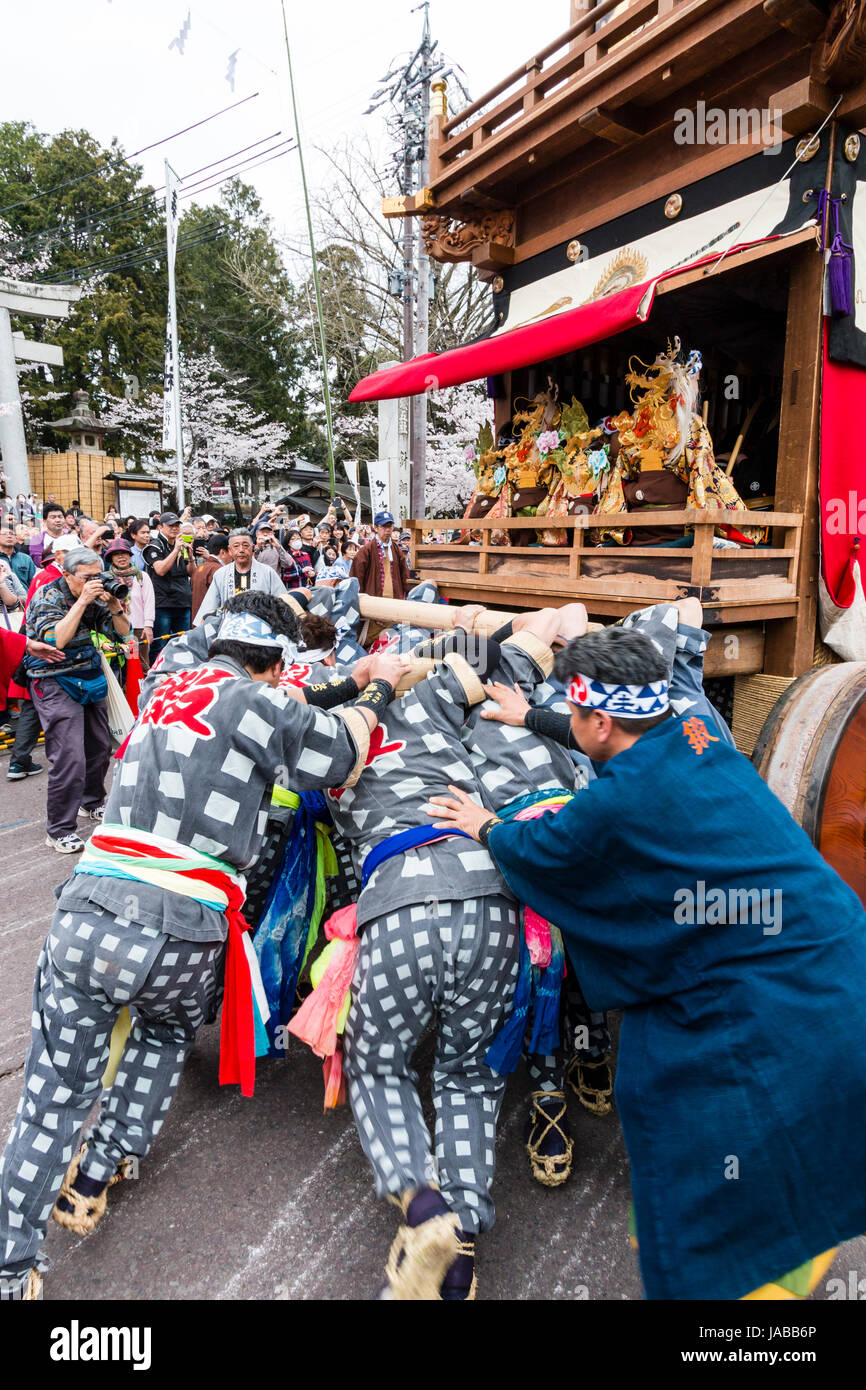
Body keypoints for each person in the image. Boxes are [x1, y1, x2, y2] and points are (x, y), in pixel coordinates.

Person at [430, 623, 866, 1301]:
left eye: (576, 715)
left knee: (703, 1168)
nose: (572, 724)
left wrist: (483, 824)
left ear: (600, 720)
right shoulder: (693, 726)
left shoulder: (614, 806)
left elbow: (538, 853)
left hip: (775, 1006)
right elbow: (609, 737)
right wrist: (532, 716)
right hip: (837, 950)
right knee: (802, 1161)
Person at [0, 592, 406, 1300]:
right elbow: (342, 752)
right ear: (275, 665)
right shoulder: (264, 702)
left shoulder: (167, 679)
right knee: (159, 1039)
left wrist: (330, 682)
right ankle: (99, 1172)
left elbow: (280, 700)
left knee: (50, 1099)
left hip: (90, 904)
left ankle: (11, 1266)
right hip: (185, 927)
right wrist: (378, 686)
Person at [25, 547, 131, 853]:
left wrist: (113, 605)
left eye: (98, 576)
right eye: (87, 577)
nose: (94, 582)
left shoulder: (97, 595)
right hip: (52, 678)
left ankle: (92, 802)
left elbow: (124, 634)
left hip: (89, 673)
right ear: (67, 573)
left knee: (99, 747)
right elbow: (56, 639)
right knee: (69, 755)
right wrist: (83, 600)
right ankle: (58, 829)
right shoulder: (48, 597)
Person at [193, 529, 287, 624]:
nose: (241, 550)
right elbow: (209, 607)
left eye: (245, 545)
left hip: (261, 629)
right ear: (230, 550)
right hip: (229, 629)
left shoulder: (267, 572)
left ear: (253, 548)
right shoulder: (221, 574)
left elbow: (283, 603)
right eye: (236, 546)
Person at [143, 512, 193, 660]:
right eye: (171, 525)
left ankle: (179, 674)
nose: (175, 528)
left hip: (183, 602)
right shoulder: (154, 546)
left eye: (177, 525)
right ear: (160, 527)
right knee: (160, 645)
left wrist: (190, 557)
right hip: (163, 604)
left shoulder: (181, 543)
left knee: (183, 644)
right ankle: (157, 676)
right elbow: (160, 570)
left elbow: (192, 573)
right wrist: (176, 550)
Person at [104, 538, 155, 675]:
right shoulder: (106, 578)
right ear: (111, 558)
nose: (121, 557)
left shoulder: (141, 576)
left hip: (138, 628)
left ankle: (141, 693)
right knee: (120, 666)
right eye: (116, 554)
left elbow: (149, 601)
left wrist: (148, 625)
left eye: (124, 553)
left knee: (141, 665)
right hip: (115, 628)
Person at [350, 510, 411, 601]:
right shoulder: (366, 551)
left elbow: (405, 574)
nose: (388, 529)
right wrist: (358, 598)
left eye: (390, 526)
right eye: (384, 526)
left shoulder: (396, 549)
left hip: (395, 599)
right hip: (373, 601)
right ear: (375, 527)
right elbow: (356, 577)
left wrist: (408, 591)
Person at [190, 531, 228, 618]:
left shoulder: (201, 567)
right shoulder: (219, 569)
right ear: (223, 552)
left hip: (197, 618)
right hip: (209, 620)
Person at [29, 503, 67, 569]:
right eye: (53, 517)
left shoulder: (71, 538)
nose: (58, 520)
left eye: (60, 517)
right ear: (44, 521)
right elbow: (38, 562)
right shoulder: (37, 538)